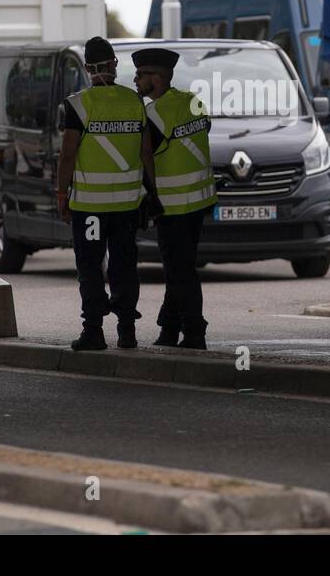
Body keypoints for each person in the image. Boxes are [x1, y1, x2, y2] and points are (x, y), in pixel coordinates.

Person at [57, 37, 160, 350]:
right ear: (115, 64)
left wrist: (62, 196)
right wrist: (153, 194)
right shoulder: (135, 102)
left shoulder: (77, 105)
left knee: (90, 267)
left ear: (88, 68)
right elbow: (146, 154)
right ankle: (126, 331)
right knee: (124, 266)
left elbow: (68, 155)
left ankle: (94, 332)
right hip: (126, 207)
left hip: (89, 209)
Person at [133, 47, 216, 349]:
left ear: (157, 77)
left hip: (173, 203)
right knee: (180, 267)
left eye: (141, 75)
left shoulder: (152, 115)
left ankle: (195, 332)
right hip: (199, 200)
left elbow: (142, 157)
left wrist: (147, 197)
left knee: (180, 271)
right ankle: (169, 329)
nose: (136, 80)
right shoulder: (192, 101)